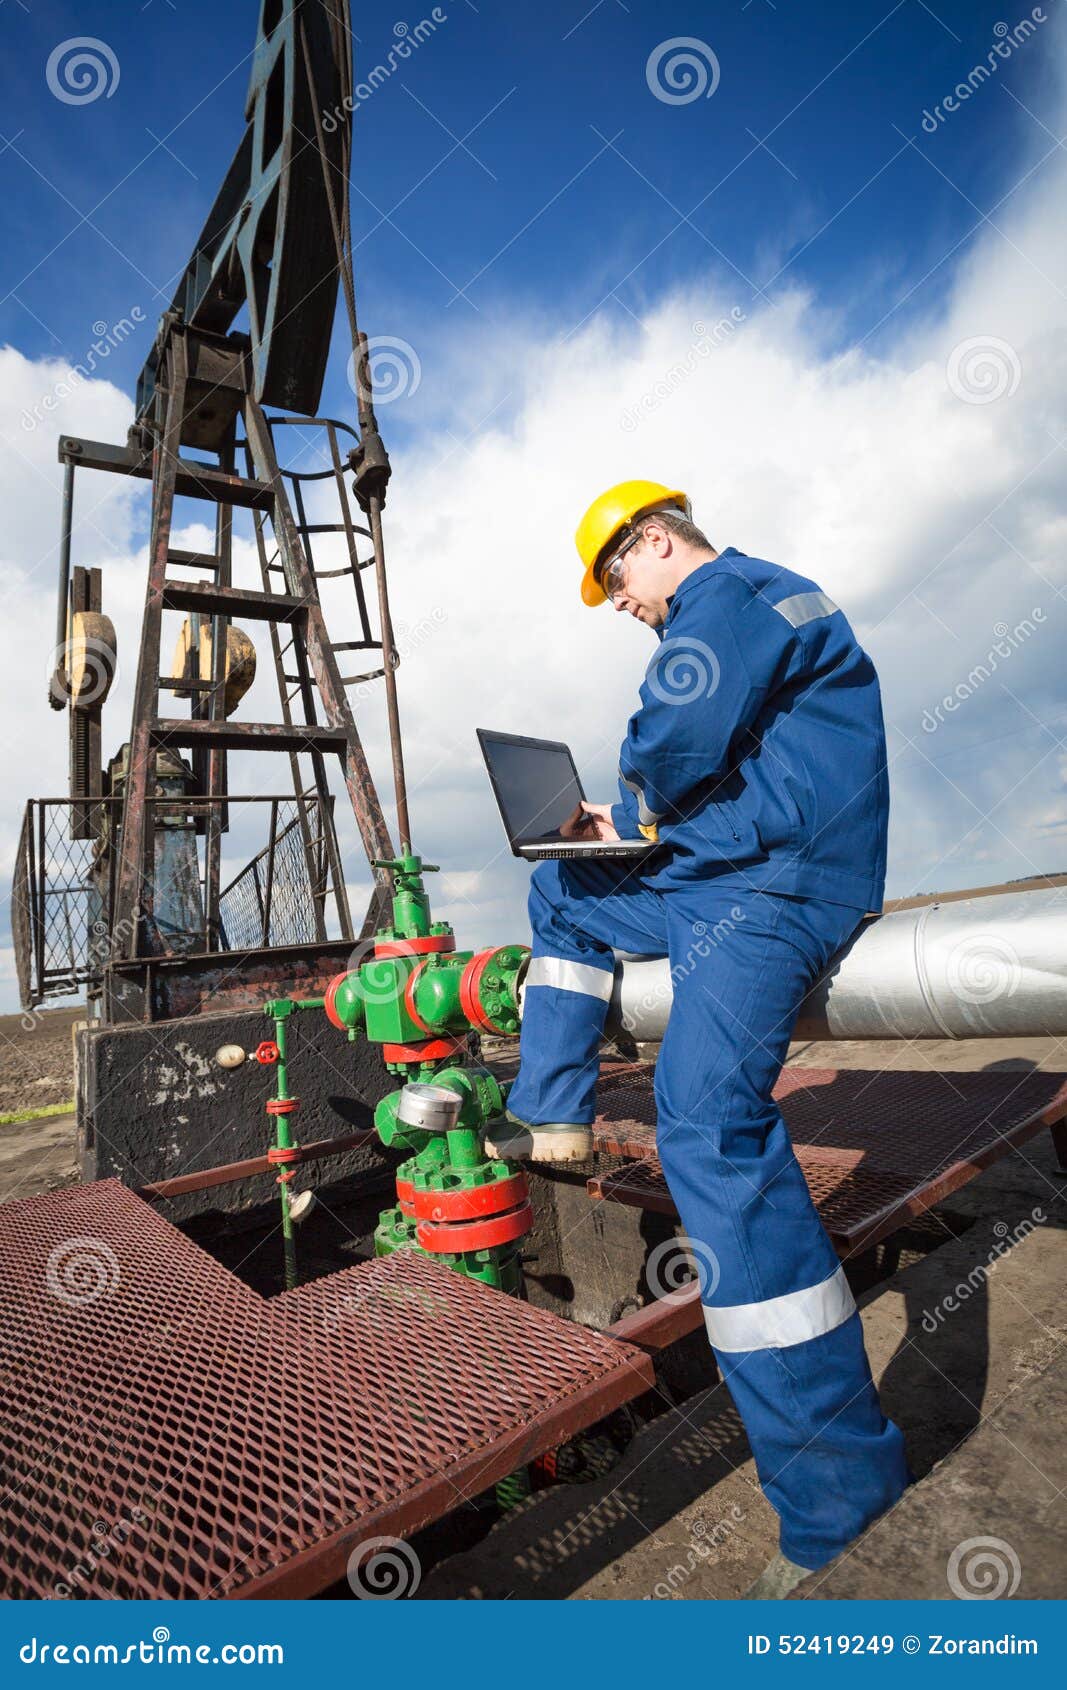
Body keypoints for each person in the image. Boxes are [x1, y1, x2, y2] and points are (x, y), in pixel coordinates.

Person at [485, 480, 910, 1595]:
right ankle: (553, 1111)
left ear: (658, 543)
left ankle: (838, 1490)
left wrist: (630, 803)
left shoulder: (725, 591)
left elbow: (675, 731)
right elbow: (704, 750)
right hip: (730, 865)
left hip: (771, 886)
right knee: (564, 897)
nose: (619, 604)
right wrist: (608, 837)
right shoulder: (747, 600)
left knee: (707, 1126)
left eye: (616, 579)